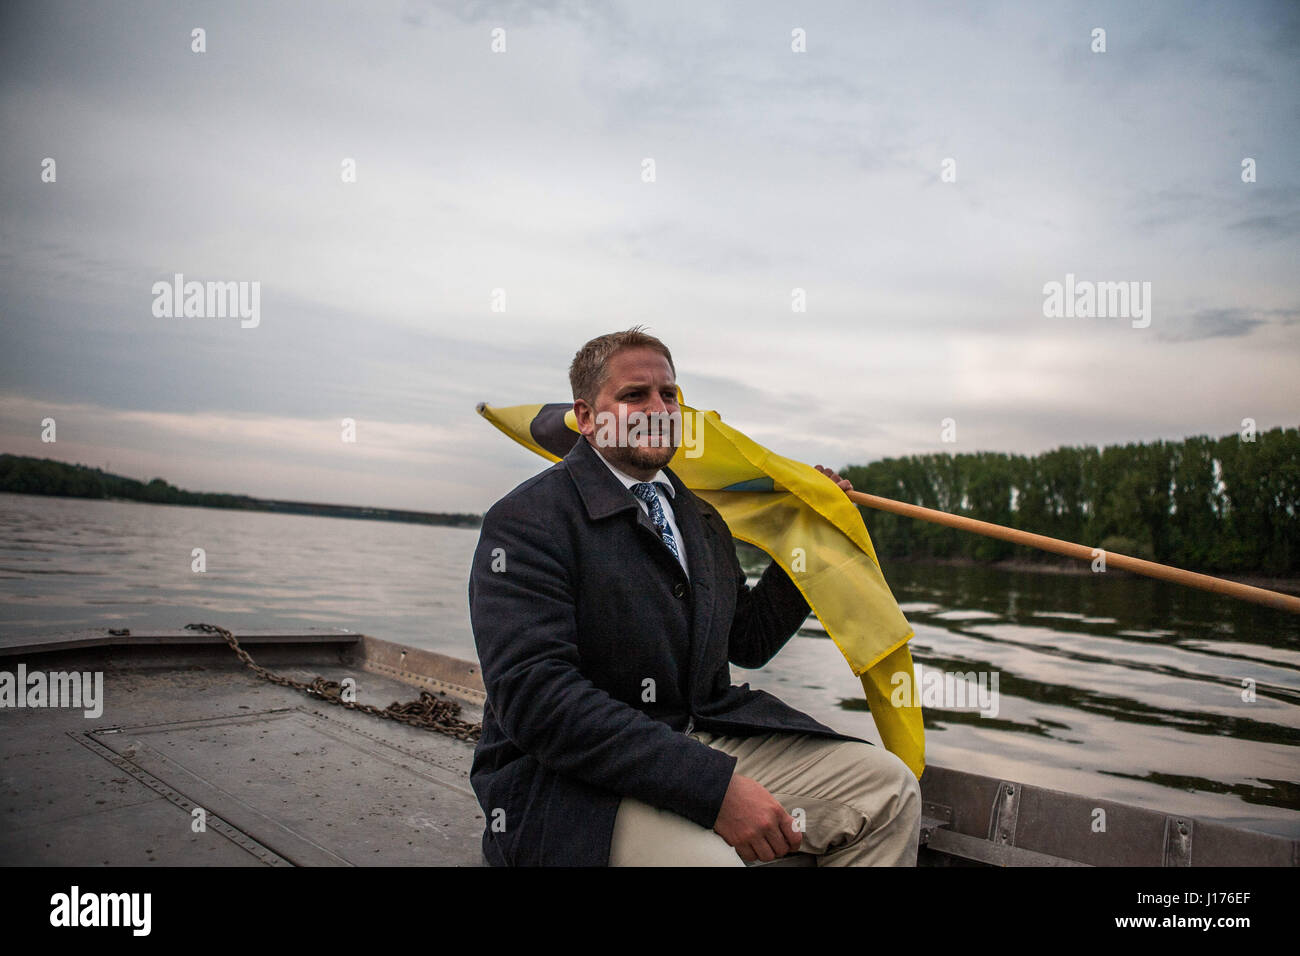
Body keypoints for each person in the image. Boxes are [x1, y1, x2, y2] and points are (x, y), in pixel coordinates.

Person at [468, 327, 921, 866]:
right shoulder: (528, 520)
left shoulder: (700, 519)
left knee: (888, 791)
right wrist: (715, 789)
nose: (658, 407)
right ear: (587, 418)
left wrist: (808, 541)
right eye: (634, 395)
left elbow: (746, 642)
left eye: (669, 394)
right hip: (569, 780)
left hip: (700, 737)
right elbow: (537, 700)